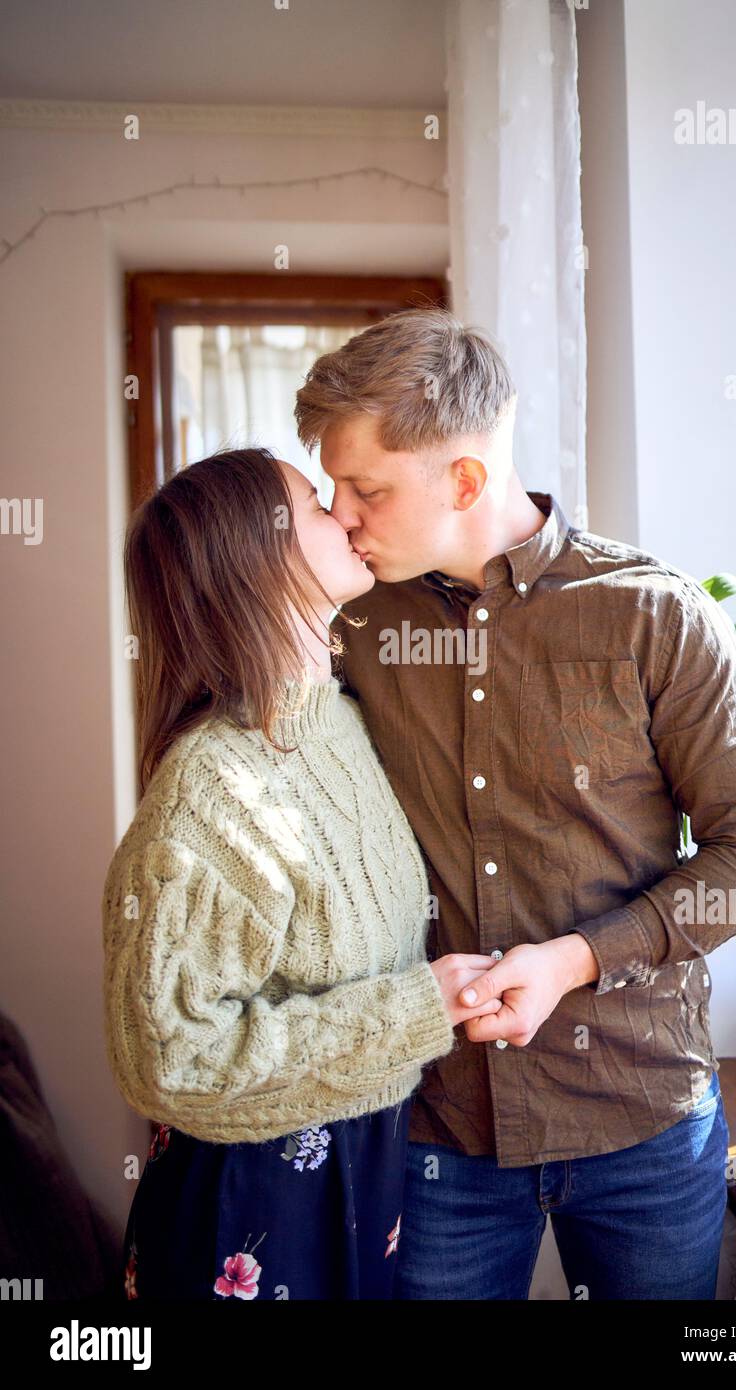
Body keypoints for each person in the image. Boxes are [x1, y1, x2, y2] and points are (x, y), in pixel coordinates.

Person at [293, 307, 736, 1300]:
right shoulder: (345, 624)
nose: (342, 514)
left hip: (643, 1120)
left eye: (366, 488)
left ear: (465, 479)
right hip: (439, 1130)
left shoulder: (652, 615)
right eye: (332, 488)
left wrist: (572, 959)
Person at [101, 446, 503, 1301]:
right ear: (258, 557)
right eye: (320, 506)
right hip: (254, 1211)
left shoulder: (343, 724)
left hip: (367, 1180)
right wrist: (420, 1008)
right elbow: (166, 1062)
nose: (348, 516)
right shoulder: (211, 789)